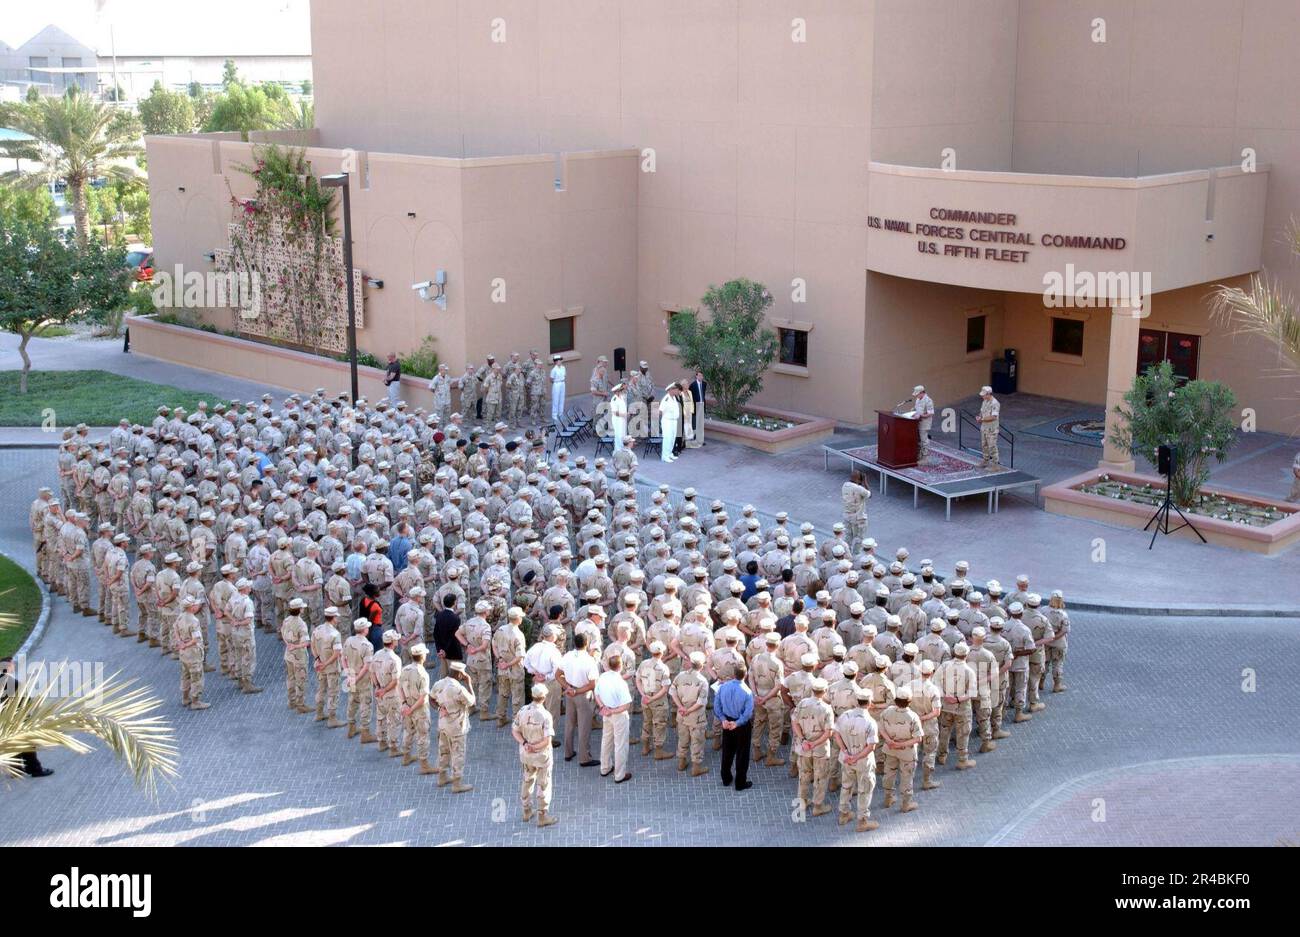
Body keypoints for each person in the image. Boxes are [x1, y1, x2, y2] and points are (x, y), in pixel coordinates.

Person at [833, 685, 880, 831]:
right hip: (863, 762)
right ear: (870, 702)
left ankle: (843, 814)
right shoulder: (870, 722)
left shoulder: (845, 715)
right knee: (864, 789)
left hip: (846, 759)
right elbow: (871, 747)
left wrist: (846, 752)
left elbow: (836, 734)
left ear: (856, 701)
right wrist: (856, 757)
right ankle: (862, 821)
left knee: (846, 786)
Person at [513, 683, 559, 826]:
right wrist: (534, 747)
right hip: (542, 757)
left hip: (526, 755)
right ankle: (542, 815)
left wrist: (525, 744)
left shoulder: (522, 711)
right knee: (543, 784)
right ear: (544, 697)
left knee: (527, 780)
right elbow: (547, 740)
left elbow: (515, 731)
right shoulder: (545, 715)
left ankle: (526, 810)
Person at [1, 657, 54, 777]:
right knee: (28, 744)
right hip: (18, 718)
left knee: (12, 744)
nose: (13, 666)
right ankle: (35, 769)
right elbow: (24, 700)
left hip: (4, 720)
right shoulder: (10, 681)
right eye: (12, 664)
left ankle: (16, 770)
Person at [431, 658, 476, 791]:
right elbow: (472, 701)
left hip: (443, 724)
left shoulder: (439, 683)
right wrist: (469, 684)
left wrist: (439, 709)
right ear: (459, 674)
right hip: (457, 727)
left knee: (443, 750)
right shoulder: (458, 688)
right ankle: (457, 783)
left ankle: (442, 776)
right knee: (458, 754)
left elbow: (431, 698)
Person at [558, 631, 600, 766]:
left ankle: (568, 752)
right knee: (584, 727)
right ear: (586, 644)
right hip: (582, 695)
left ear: (574, 643)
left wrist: (568, 688)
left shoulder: (567, 656)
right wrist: (576, 691)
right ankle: (584, 758)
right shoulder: (589, 660)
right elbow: (592, 684)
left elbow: (558, 674)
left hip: (569, 694)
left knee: (569, 724)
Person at [715, 660, 755, 791]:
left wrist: (723, 720)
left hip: (727, 723)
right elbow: (748, 714)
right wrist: (736, 723)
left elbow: (717, 705)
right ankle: (740, 783)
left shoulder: (723, 687)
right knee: (742, 755)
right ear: (746, 675)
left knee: (727, 752)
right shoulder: (747, 692)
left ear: (733, 674)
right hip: (741, 726)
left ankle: (726, 779)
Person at [594, 657, 633, 783]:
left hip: (606, 713)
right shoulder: (621, 682)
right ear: (620, 666)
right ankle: (619, 775)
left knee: (606, 740)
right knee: (620, 744)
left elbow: (596, 694)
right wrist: (612, 710)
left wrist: (603, 707)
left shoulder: (603, 677)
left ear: (609, 666)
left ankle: (604, 768)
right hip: (618, 714)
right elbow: (626, 705)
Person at [841, 472, 870, 545]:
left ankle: (846, 552)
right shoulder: (859, 489)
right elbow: (869, 494)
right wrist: (865, 481)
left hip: (846, 516)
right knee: (859, 537)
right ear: (859, 480)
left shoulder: (845, 485)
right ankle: (856, 554)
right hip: (858, 518)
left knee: (848, 536)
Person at [976, 385, 1001, 468]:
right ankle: (985, 461)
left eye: (984, 395)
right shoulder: (984, 401)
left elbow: (994, 417)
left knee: (992, 446)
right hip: (984, 428)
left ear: (989, 394)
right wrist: (979, 417)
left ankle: (995, 465)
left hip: (992, 429)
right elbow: (981, 411)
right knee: (984, 445)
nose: (982, 396)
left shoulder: (995, 403)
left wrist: (982, 419)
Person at [911, 385, 935, 461]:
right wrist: (913, 410)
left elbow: (930, 413)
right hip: (917, 422)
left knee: (924, 440)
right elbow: (917, 408)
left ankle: (925, 457)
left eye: (917, 394)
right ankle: (918, 454)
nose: (916, 396)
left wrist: (921, 415)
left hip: (924, 423)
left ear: (922, 393)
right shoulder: (918, 399)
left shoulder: (928, 401)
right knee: (917, 439)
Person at [658, 385, 681, 463]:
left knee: (672, 437)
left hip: (674, 421)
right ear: (671, 390)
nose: (677, 391)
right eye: (676, 390)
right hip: (667, 421)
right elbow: (660, 411)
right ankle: (665, 456)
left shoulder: (674, 398)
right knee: (667, 438)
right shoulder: (666, 399)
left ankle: (669, 453)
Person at [687, 370, 706, 448]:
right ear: (696, 376)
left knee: (701, 423)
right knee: (695, 423)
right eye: (699, 376)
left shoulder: (704, 384)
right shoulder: (693, 385)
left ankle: (700, 440)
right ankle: (695, 438)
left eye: (701, 376)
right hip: (696, 405)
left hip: (702, 404)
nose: (700, 377)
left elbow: (703, 394)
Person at [609, 383, 629, 452]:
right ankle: (618, 450)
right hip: (617, 419)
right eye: (620, 390)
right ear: (616, 391)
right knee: (618, 435)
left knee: (623, 434)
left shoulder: (621, 397)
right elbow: (615, 412)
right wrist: (624, 414)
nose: (622, 391)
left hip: (623, 419)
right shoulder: (614, 399)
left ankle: (622, 448)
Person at [549, 355, 567, 423]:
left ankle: (560, 413)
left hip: (562, 383)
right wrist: (556, 382)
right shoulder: (554, 370)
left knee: (562, 398)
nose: (560, 361)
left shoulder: (563, 368)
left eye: (560, 360)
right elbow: (551, 379)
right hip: (556, 384)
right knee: (556, 399)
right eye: (558, 360)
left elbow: (564, 375)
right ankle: (554, 415)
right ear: (556, 362)